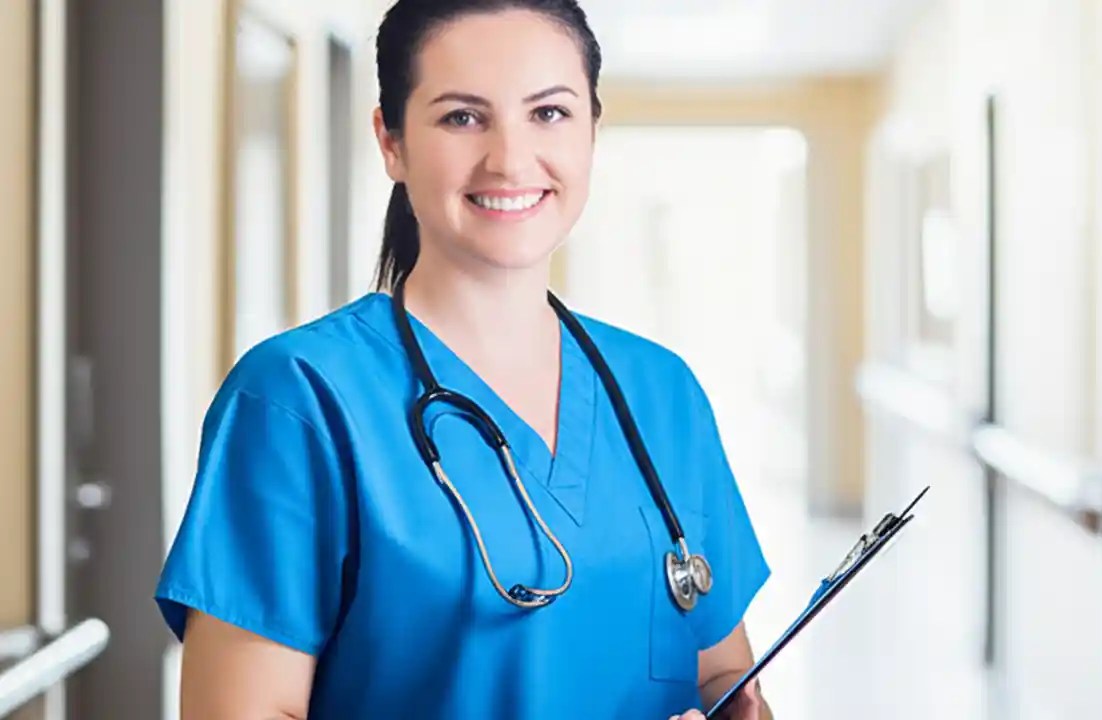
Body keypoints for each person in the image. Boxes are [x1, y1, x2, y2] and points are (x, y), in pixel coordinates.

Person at [155, 1, 773, 717]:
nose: (510, 159)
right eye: (462, 117)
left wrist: (742, 708)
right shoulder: (298, 398)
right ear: (391, 142)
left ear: (592, 133)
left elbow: (720, 671)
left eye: (549, 113)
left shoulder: (662, 393)